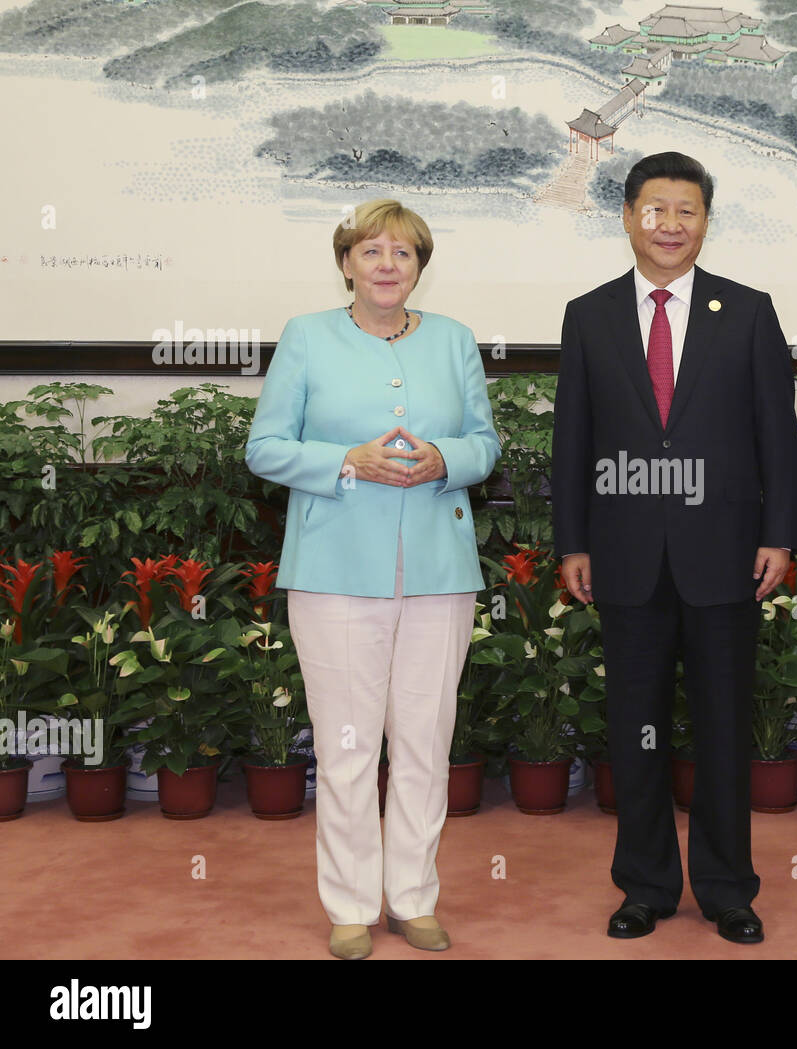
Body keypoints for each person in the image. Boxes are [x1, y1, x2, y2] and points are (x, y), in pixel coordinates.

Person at [551, 151, 797, 944]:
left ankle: (729, 888)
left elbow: (778, 440)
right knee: (637, 730)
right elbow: (572, 441)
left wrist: (779, 534)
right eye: (654, 209)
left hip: (726, 554)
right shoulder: (587, 315)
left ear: (705, 220)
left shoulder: (750, 310)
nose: (670, 224)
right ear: (626, 216)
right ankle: (647, 885)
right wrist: (572, 542)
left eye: (686, 210)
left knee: (725, 729)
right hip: (624, 556)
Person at [245, 199, 500, 959]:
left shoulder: (454, 340)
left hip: (438, 571)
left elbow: (485, 443)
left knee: (426, 740)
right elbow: (265, 448)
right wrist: (344, 460)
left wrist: (446, 459)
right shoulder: (306, 336)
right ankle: (351, 904)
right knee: (347, 744)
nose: (388, 264)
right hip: (332, 571)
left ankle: (415, 897)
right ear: (347, 261)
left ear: (420, 266)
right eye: (372, 251)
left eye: (404, 253)